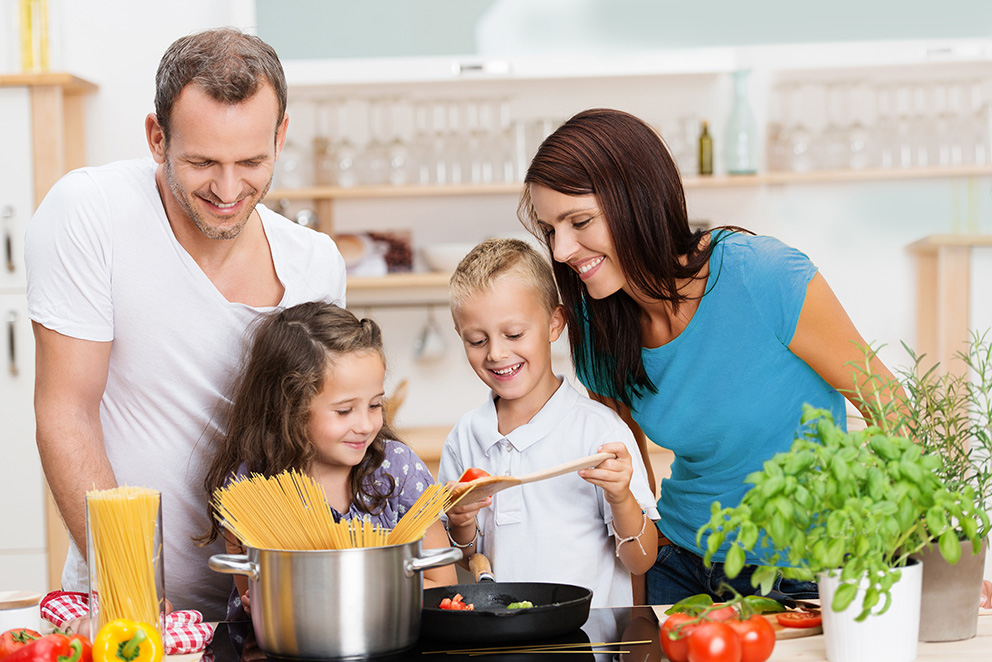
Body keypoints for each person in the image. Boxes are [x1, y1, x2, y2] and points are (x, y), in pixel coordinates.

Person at [24, 28, 347, 620]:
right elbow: (66, 412)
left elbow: (317, 445)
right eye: (202, 162)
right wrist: (136, 604)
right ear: (156, 137)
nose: (228, 190)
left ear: (280, 136)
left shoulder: (315, 262)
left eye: (251, 161)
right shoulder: (90, 212)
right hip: (124, 602)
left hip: (273, 610)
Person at [517, 108, 899, 605]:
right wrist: (639, 600)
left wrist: (926, 547)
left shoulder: (762, 275)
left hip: (804, 573)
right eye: (550, 230)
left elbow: (891, 405)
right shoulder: (597, 324)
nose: (563, 249)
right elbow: (630, 474)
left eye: (579, 221)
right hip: (678, 564)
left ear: (638, 200)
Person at [438, 238, 659, 608]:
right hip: (506, 642)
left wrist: (620, 497)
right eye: (476, 340)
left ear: (555, 323)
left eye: (514, 334)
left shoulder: (599, 433)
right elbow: (467, 558)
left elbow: (641, 560)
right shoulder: (465, 437)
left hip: (587, 643)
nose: (496, 353)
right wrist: (460, 522)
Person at [201, 302, 456, 619]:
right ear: (290, 408)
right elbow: (252, 598)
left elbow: (443, 585)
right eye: (345, 410)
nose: (365, 424)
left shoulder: (397, 468)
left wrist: (345, 596)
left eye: (375, 405)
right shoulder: (251, 486)